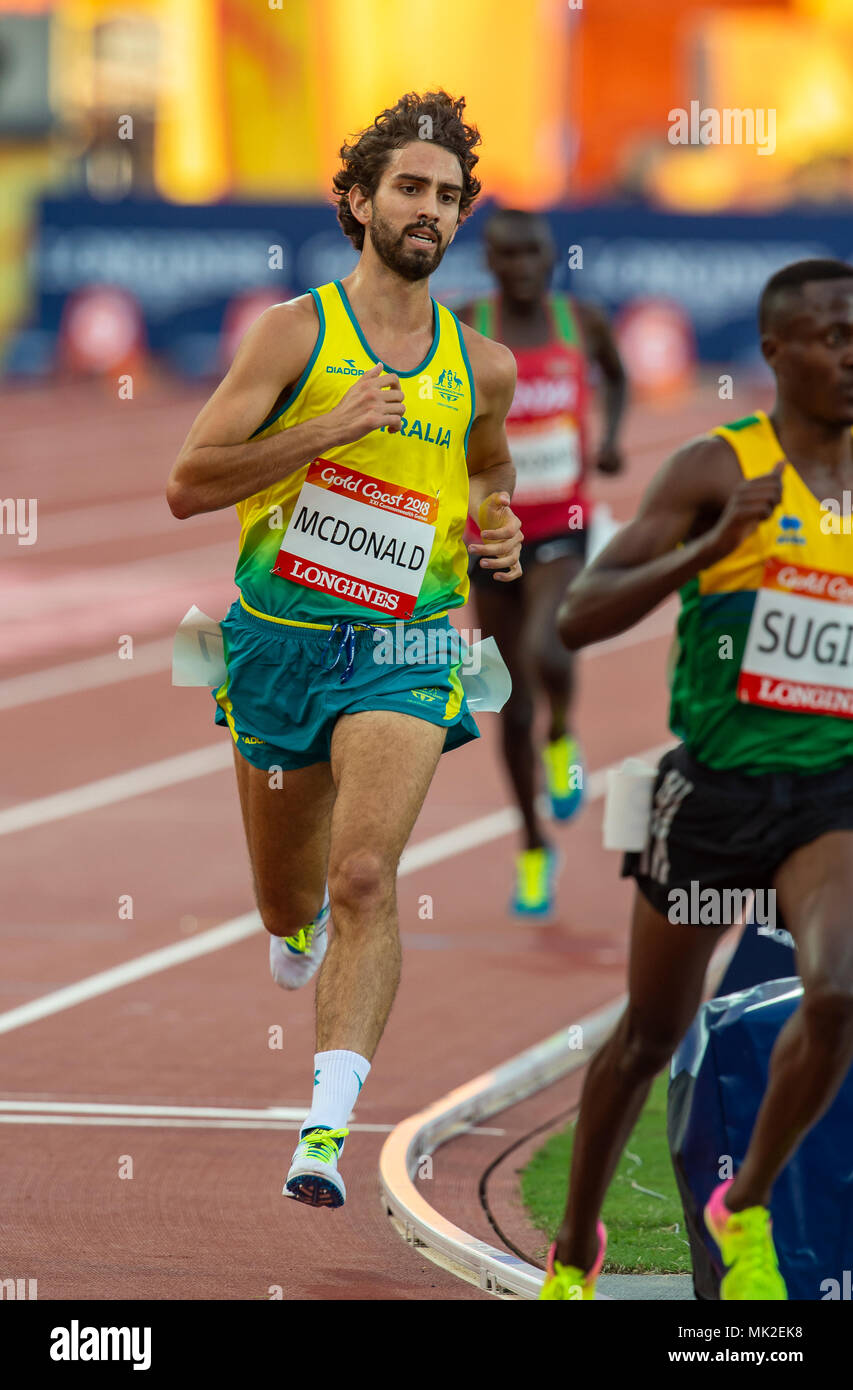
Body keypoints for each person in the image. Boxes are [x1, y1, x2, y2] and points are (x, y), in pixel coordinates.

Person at [166, 90, 522, 1209]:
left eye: (447, 195)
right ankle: (292, 924)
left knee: (366, 870)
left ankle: (322, 1126)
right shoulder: (294, 334)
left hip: (407, 641)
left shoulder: (485, 365)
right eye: (408, 188)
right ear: (360, 199)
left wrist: (500, 520)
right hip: (276, 643)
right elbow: (187, 487)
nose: (429, 209)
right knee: (291, 900)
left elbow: (489, 470)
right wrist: (325, 426)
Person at [542, 259, 853, 1300]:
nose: (849, 354)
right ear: (773, 350)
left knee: (841, 988)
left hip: (828, 797)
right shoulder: (715, 469)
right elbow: (579, 613)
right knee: (645, 1040)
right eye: (828, 336)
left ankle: (747, 1201)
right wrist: (711, 548)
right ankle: (576, 1243)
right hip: (712, 796)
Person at [457, 210, 626, 919]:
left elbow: (616, 377)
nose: (523, 264)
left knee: (546, 646)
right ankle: (532, 844)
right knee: (504, 699)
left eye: (534, 252)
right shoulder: (467, 321)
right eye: (508, 254)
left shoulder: (579, 321)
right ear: (491, 260)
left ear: (551, 256)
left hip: (562, 523)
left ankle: (562, 734)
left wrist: (611, 437)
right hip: (489, 531)